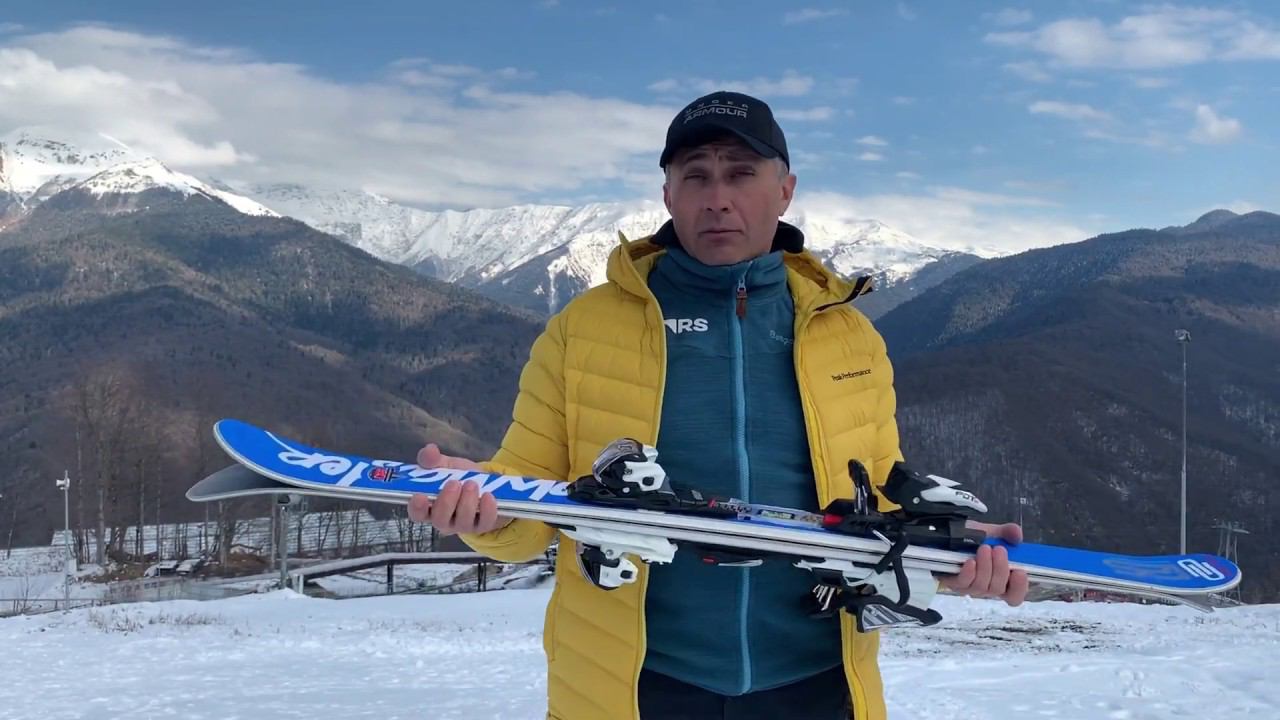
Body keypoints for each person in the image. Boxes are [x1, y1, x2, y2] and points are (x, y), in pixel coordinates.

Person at [407, 90, 1029, 720]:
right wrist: (482, 512)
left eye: (741, 173)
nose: (718, 198)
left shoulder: (849, 336)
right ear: (668, 195)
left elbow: (878, 498)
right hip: (633, 686)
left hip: (820, 683)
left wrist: (947, 549)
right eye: (696, 176)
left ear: (784, 190)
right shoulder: (584, 329)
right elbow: (533, 504)